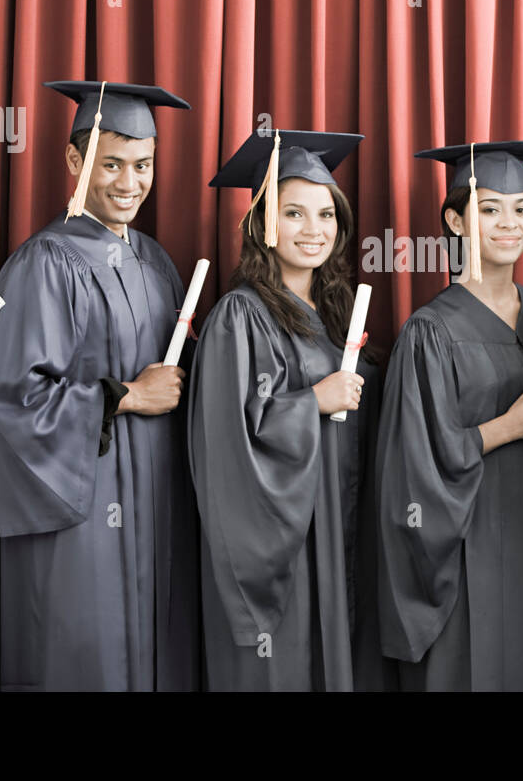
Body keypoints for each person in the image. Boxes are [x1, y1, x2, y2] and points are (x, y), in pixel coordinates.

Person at [0, 80, 200, 691]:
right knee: (83, 656)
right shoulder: (43, 262)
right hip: (78, 507)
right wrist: (127, 395)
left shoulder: (157, 262)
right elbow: (10, 401)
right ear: (75, 162)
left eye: (144, 164)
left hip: (157, 502)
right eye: (112, 164)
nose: (130, 182)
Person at [374, 140, 523, 691]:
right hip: (470, 546)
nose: (510, 223)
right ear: (455, 220)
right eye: (489, 209)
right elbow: (410, 463)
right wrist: (505, 428)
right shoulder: (431, 330)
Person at [190, 129, 378, 691]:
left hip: (334, 532)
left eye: (326, 215)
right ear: (261, 224)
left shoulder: (334, 315)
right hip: (276, 545)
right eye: (293, 213)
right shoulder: (238, 318)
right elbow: (225, 446)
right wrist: (313, 403)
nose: (314, 230)